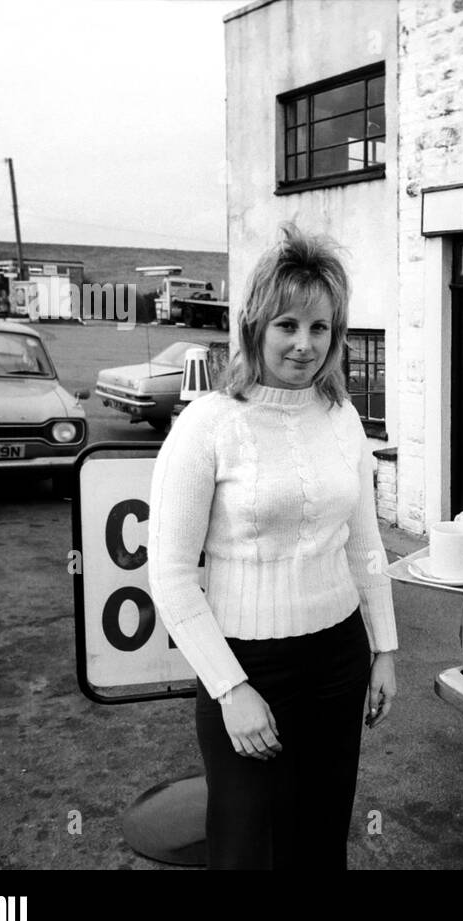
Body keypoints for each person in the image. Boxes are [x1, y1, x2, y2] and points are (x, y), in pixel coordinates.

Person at [147, 224, 398, 869]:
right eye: (288, 324)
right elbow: (171, 575)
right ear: (255, 325)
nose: (304, 344)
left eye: (320, 328)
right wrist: (231, 689)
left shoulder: (342, 416)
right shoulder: (208, 424)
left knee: (319, 843)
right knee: (247, 849)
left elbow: (365, 544)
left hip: (339, 658)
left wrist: (385, 651)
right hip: (248, 665)